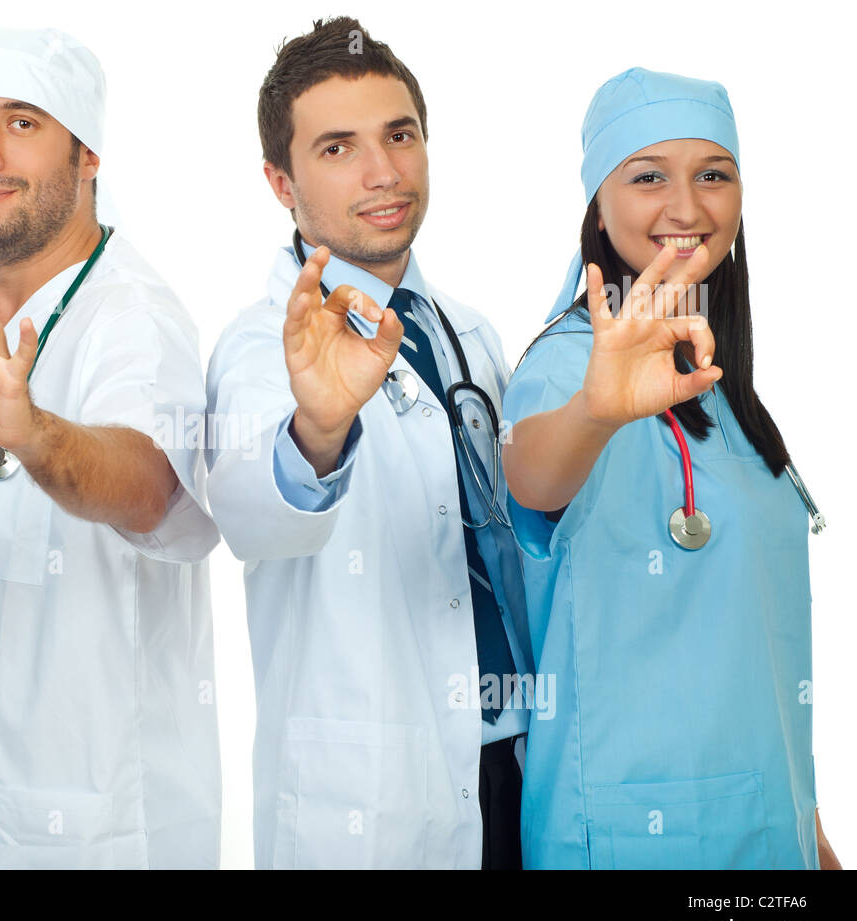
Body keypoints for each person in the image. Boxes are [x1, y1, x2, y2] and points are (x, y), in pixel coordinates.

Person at [206, 17, 532, 869]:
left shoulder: (470, 333)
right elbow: (249, 514)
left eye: (400, 136)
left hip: (518, 758)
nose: (384, 173)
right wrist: (319, 426)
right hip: (375, 801)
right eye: (337, 148)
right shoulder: (259, 348)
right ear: (281, 180)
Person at [0, 27, 221, 869]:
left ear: (88, 157)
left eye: (23, 123)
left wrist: (33, 433)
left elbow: (151, 485)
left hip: (104, 834)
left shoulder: (133, 320)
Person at [502, 66, 841, 869]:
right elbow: (534, 482)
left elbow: (755, 649)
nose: (687, 208)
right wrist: (596, 410)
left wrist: (815, 839)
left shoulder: (719, 387)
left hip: (764, 837)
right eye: (648, 176)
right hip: (628, 834)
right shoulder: (570, 372)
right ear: (599, 202)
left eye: (713, 175)